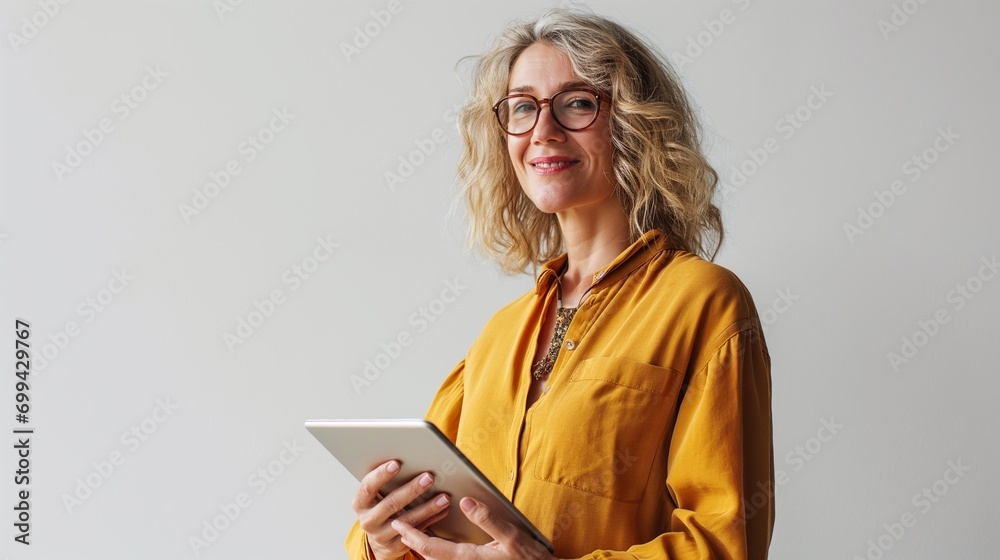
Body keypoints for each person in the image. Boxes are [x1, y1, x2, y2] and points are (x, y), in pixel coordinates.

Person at [346, 8, 773, 560]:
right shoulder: (498, 335)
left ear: (634, 123)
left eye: (576, 103)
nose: (543, 131)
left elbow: (726, 543)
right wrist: (383, 540)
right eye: (523, 107)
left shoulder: (703, 303)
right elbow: (437, 526)